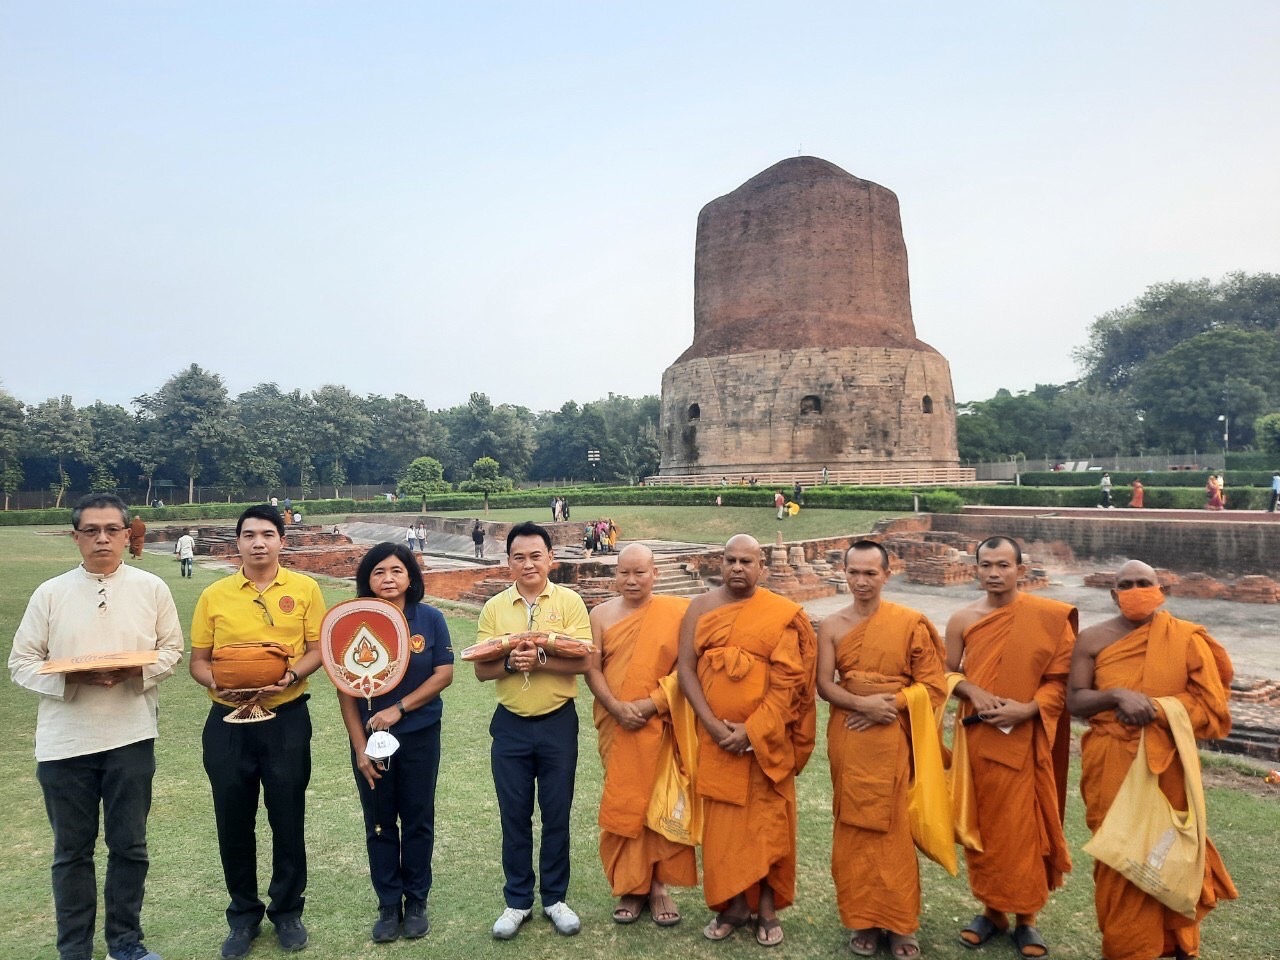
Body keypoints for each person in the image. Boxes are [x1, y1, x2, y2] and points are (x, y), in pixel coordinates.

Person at [9, 494, 184, 960]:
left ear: (129, 534)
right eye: (91, 530)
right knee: (72, 853)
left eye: (112, 529)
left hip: (130, 735)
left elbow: (171, 650)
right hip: (64, 744)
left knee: (129, 847)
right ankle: (75, 951)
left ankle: (125, 944)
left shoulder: (151, 588)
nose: (102, 538)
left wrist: (135, 672)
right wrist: (69, 677)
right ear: (76, 537)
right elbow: (21, 663)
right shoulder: (50, 593)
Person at [1068, 559, 1237, 960]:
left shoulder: (1184, 638)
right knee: (1120, 857)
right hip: (1111, 761)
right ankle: (1130, 948)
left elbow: (1212, 708)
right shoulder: (1092, 639)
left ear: (1161, 590)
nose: (1135, 589)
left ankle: (1172, 945)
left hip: (1169, 765)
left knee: (1169, 849)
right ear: (1112, 594)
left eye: (1144, 582)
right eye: (1125, 584)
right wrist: (1116, 695)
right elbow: (1075, 700)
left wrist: (1157, 709)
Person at [188, 505, 328, 958]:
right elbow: (199, 661)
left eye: (268, 534)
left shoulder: (305, 589)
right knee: (233, 818)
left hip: (285, 717)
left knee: (287, 815)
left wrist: (288, 677)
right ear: (238, 542)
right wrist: (219, 684)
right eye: (249, 535)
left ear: (281, 541)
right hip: (227, 723)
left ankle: (287, 911)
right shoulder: (215, 594)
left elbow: (316, 651)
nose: (258, 542)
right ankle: (243, 915)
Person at [678, 535, 817, 947]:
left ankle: (767, 908)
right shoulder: (700, 607)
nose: (737, 567)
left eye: (746, 561)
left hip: (767, 742)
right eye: (730, 560)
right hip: (717, 738)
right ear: (719, 564)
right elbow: (685, 669)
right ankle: (735, 905)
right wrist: (714, 726)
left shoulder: (781, 614)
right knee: (725, 829)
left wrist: (752, 730)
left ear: (762, 568)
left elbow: (791, 681)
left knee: (770, 825)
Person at [944, 536, 1075, 958]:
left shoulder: (1047, 616)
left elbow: (1060, 682)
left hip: (1026, 738)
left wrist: (1028, 709)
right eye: (986, 565)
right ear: (975, 568)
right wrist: (971, 690)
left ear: (1021, 569)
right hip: (978, 736)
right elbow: (943, 675)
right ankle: (992, 911)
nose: (994, 574)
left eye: (1003, 565)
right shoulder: (962, 619)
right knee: (986, 825)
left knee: (1025, 826)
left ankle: (1027, 919)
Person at [817, 541, 946, 959]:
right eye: (854, 572)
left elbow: (932, 686)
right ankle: (863, 920)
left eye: (870, 573)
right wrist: (860, 704)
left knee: (893, 831)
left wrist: (888, 705)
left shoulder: (910, 623)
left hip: (893, 734)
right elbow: (824, 684)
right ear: (844, 571)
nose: (861, 581)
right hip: (850, 734)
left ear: (887, 575)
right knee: (853, 826)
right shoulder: (833, 625)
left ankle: (900, 923)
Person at [473, 522, 592, 940]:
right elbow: (481, 669)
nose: (528, 563)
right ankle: (517, 900)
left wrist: (540, 661)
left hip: (558, 722)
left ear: (550, 559)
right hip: (510, 727)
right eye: (519, 557)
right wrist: (510, 664)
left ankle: (555, 898)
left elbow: (583, 662)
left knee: (556, 814)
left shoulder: (570, 602)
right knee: (515, 816)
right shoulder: (494, 608)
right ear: (508, 562)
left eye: (535, 556)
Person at [338, 542, 454, 943]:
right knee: (380, 821)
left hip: (419, 734)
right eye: (378, 572)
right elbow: (346, 689)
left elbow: (443, 674)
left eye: (396, 571)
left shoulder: (430, 619)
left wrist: (398, 709)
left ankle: (416, 900)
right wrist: (358, 747)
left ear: (410, 577)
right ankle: (389, 905)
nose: (388, 579)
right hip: (371, 741)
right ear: (367, 580)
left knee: (419, 819)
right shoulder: (355, 622)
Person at [584, 544, 696, 928]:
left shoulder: (676, 612)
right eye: (624, 573)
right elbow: (591, 668)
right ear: (614, 574)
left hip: (659, 720)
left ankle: (659, 884)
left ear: (655, 574)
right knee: (625, 799)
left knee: (657, 800)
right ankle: (632, 887)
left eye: (640, 572)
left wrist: (649, 706)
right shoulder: (599, 614)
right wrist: (616, 707)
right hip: (615, 722)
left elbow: (687, 669)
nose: (631, 581)